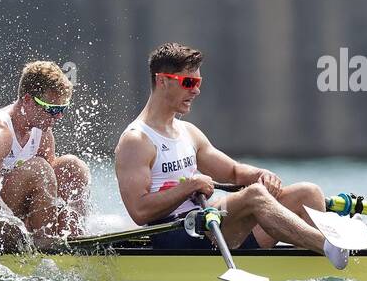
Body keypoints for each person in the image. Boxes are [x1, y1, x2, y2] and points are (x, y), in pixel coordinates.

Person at [114, 42, 350, 268]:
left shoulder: (188, 132)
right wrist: (189, 186)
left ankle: (322, 263)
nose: (196, 90)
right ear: (163, 81)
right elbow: (139, 211)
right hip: (176, 234)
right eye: (188, 82)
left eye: (198, 82)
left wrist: (261, 173)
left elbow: (234, 172)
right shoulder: (137, 140)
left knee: (307, 193)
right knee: (255, 195)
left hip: (210, 226)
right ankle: (329, 245)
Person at [0, 60, 90, 253]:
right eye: (51, 109)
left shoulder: (42, 131)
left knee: (73, 167)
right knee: (39, 170)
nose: (58, 117)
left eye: (62, 109)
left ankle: (77, 244)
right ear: (26, 100)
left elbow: (48, 195)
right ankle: (46, 249)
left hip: (8, 213)